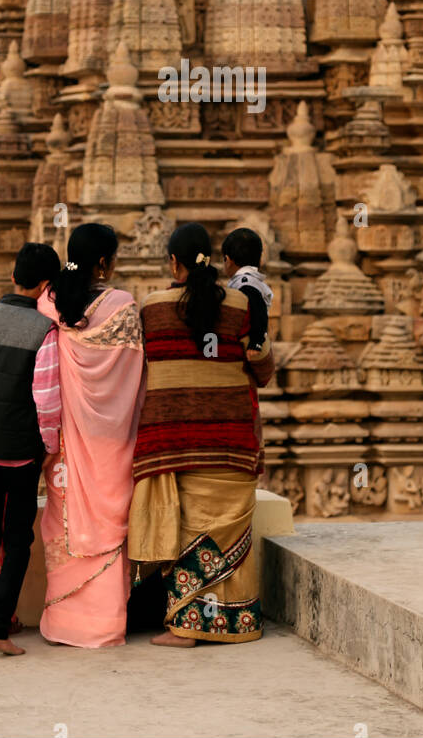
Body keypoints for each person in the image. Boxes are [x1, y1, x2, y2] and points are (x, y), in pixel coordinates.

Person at [128, 221, 275, 648]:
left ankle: (187, 628)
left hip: (173, 442)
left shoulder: (152, 307)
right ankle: (237, 624)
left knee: (186, 529)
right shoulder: (241, 303)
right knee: (223, 534)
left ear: (174, 263)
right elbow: (261, 364)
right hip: (230, 442)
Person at [37, 223, 145, 648]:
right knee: (108, 521)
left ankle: (64, 622)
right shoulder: (122, 306)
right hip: (111, 444)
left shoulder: (50, 303)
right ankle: (104, 625)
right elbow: (135, 381)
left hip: (63, 443)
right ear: (104, 262)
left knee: (63, 526)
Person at [0, 241, 61, 656]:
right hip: (21, 451)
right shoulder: (44, 330)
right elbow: (47, 398)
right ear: (45, 286)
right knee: (18, 541)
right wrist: (50, 449)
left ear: (12, 276)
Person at [222, 226, 273, 359]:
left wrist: (255, 342)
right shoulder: (251, 281)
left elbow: (258, 310)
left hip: (249, 344)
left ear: (228, 260)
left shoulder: (246, 283)